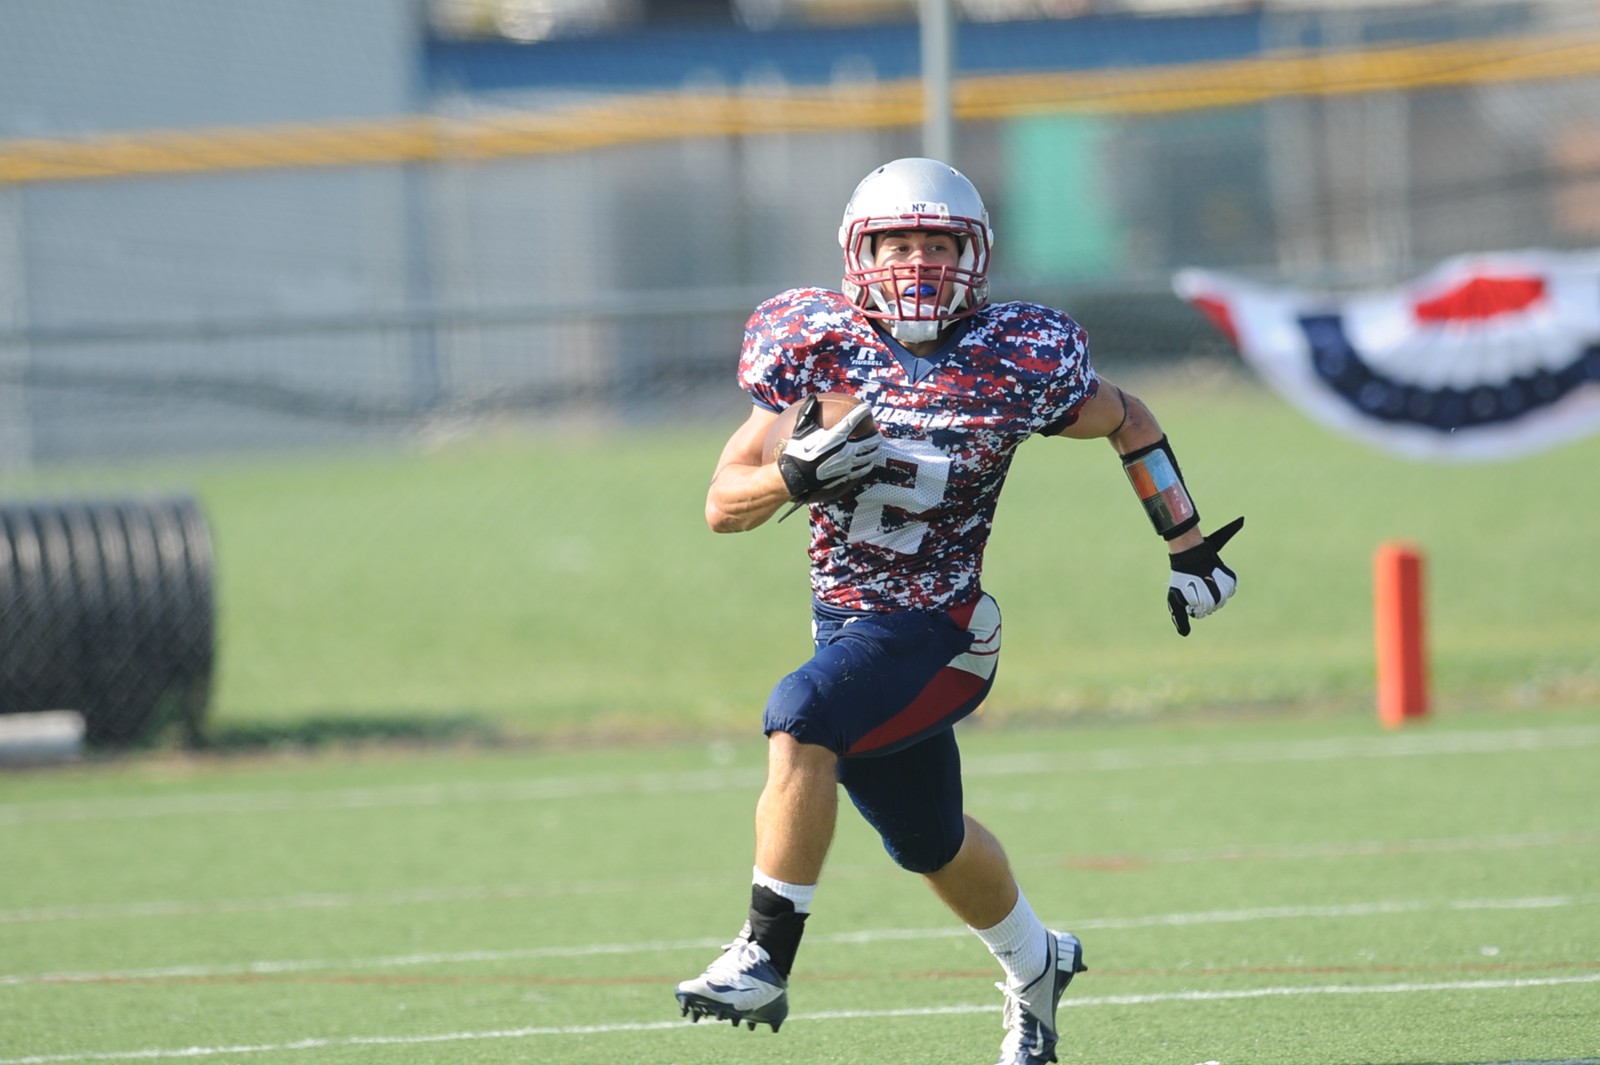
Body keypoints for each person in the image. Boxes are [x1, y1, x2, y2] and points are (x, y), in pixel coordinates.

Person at [675, 157, 1243, 1064]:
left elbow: (1127, 417)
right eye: (897, 243)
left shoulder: (1013, 355)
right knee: (929, 843)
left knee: (800, 713)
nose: (917, 262)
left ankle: (764, 957)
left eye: (938, 243)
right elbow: (722, 503)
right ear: (860, 255)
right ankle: (1037, 962)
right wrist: (792, 474)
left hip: (946, 632)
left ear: (974, 255)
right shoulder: (821, 350)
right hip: (851, 634)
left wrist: (1188, 544)